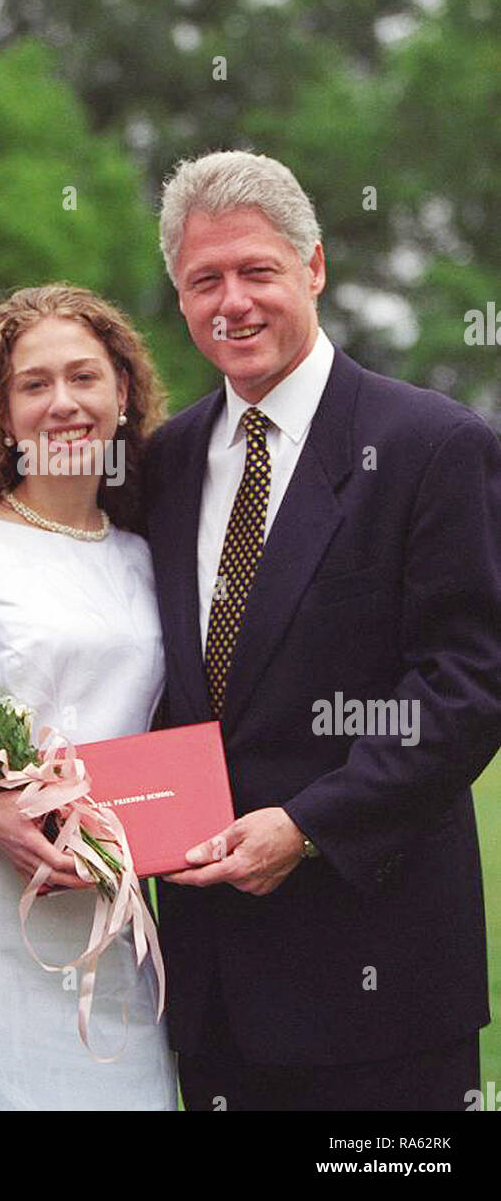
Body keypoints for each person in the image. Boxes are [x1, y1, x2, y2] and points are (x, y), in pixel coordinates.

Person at [145, 150, 500, 1112]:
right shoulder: (164, 464)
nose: (234, 302)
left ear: (314, 268)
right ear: (180, 299)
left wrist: (308, 826)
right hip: (212, 990)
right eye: (203, 280)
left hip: (379, 977)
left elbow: (468, 685)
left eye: (257, 271)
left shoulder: (435, 446)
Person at [0, 284, 177, 1110]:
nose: (64, 403)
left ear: (121, 393)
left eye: (85, 378)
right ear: (3, 409)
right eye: (34, 384)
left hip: (113, 919)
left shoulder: (150, 557)